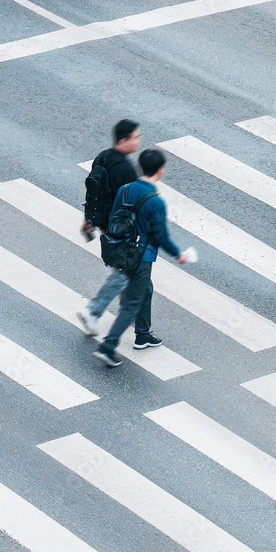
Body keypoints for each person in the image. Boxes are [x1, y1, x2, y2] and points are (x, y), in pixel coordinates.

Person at [94, 149, 186, 367]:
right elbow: (161, 236)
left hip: (121, 252)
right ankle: (108, 346)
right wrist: (178, 254)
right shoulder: (156, 202)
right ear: (160, 170)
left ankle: (143, 335)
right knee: (132, 303)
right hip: (141, 257)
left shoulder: (125, 190)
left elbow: (114, 219)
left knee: (145, 289)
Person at [77, 119, 141, 336]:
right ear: (124, 140)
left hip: (105, 222)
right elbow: (134, 204)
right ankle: (93, 311)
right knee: (123, 270)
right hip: (121, 227)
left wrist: (90, 219)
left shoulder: (102, 157)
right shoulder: (126, 171)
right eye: (136, 137)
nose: (138, 141)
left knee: (127, 270)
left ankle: (128, 312)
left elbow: (93, 192)